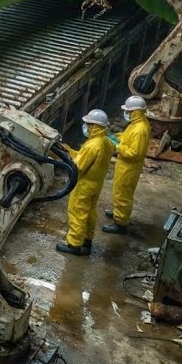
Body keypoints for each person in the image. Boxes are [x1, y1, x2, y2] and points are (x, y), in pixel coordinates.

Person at [57, 109, 114, 257]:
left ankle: (74, 244)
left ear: (95, 126)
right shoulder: (106, 142)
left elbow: (80, 166)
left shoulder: (92, 145)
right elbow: (88, 158)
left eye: (88, 124)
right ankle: (87, 241)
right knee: (90, 212)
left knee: (77, 212)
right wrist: (70, 151)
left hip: (84, 184)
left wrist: (67, 159)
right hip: (96, 183)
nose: (86, 127)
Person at [103, 96, 151, 235]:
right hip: (125, 164)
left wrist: (118, 147)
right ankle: (118, 213)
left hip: (129, 166)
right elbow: (127, 137)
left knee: (123, 194)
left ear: (136, 112)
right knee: (119, 191)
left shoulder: (140, 129)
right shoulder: (136, 123)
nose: (127, 114)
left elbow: (135, 153)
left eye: (129, 111)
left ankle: (120, 223)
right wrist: (116, 137)